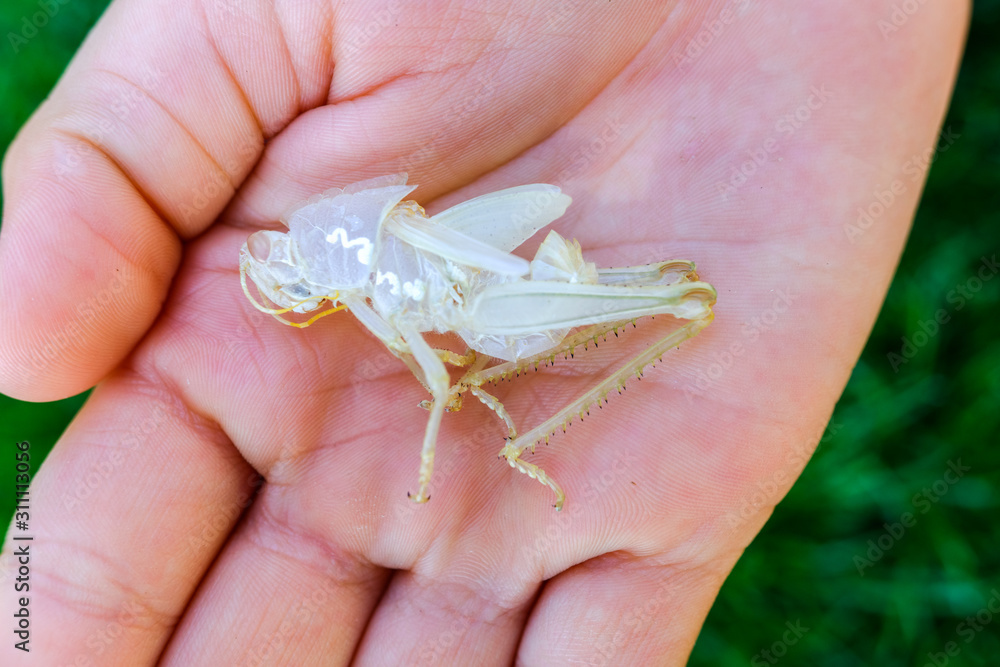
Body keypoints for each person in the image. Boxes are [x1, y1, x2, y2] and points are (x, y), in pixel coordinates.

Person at [0, 1, 969, 663]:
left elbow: (431, 368)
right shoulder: (355, 256)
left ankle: (536, 429)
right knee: (455, 373)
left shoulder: (377, 265)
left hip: (496, 305)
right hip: (465, 298)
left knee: (548, 351)